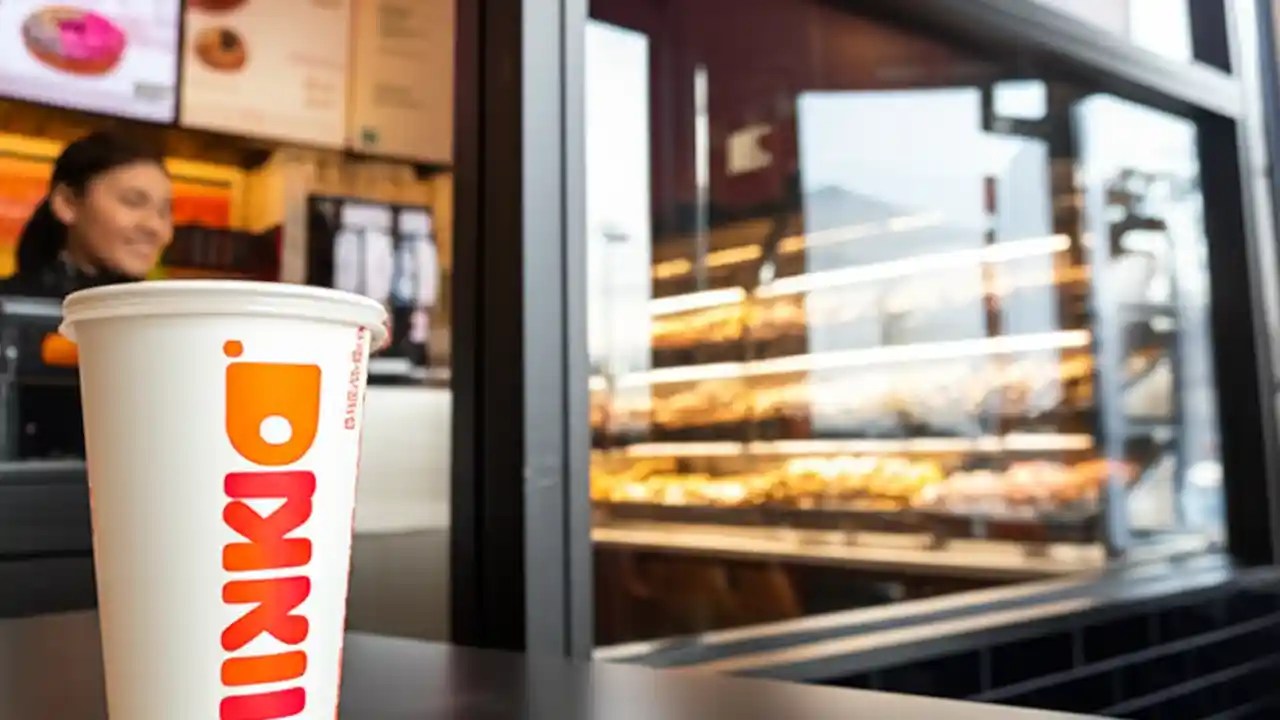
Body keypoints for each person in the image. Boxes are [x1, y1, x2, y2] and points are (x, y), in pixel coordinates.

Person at [0, 131, 172, 298]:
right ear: (67, 203)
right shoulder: (10, 307)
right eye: (133, 202)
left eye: (164, 212)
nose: (155, 227)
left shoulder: (169, 317)